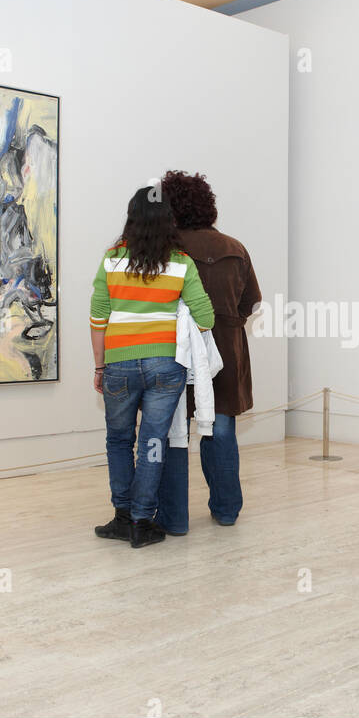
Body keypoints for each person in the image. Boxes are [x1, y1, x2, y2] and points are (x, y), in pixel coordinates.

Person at [90, 186, 215, 548]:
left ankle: (122, 516)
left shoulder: (111, 260)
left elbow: (98, 318)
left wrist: (100, 366)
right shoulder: (181, 263)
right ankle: (143, 523)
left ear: (131, 217)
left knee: (118, 440)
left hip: (118, 364)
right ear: (169, 221)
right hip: (165, 366)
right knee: (153, 442)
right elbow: (205, 319)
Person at [155, 171, 262, 534]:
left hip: (177, 353)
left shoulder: (166, 251)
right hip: (226, 355)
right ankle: (227, 509)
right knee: (222, 430)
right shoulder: (235, 247)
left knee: (174, 433)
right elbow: (252, 302)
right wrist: (227, 325)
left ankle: (174, 518)